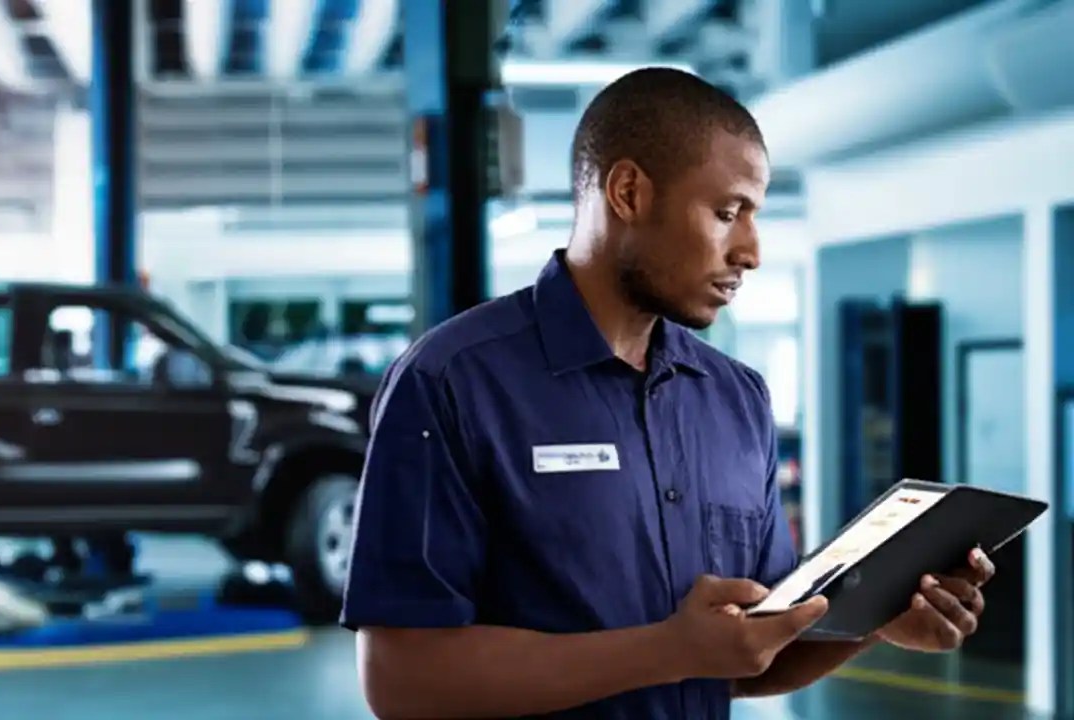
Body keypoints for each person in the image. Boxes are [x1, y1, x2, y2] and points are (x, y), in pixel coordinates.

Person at [340, 67, 995, 720]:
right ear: (628, 192)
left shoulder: (736, 399)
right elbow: (404, 680)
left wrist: (873, 620)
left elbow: (743, 658)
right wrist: (669, 650)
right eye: (727, 212)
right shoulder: (453, 380)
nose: (751, 250)